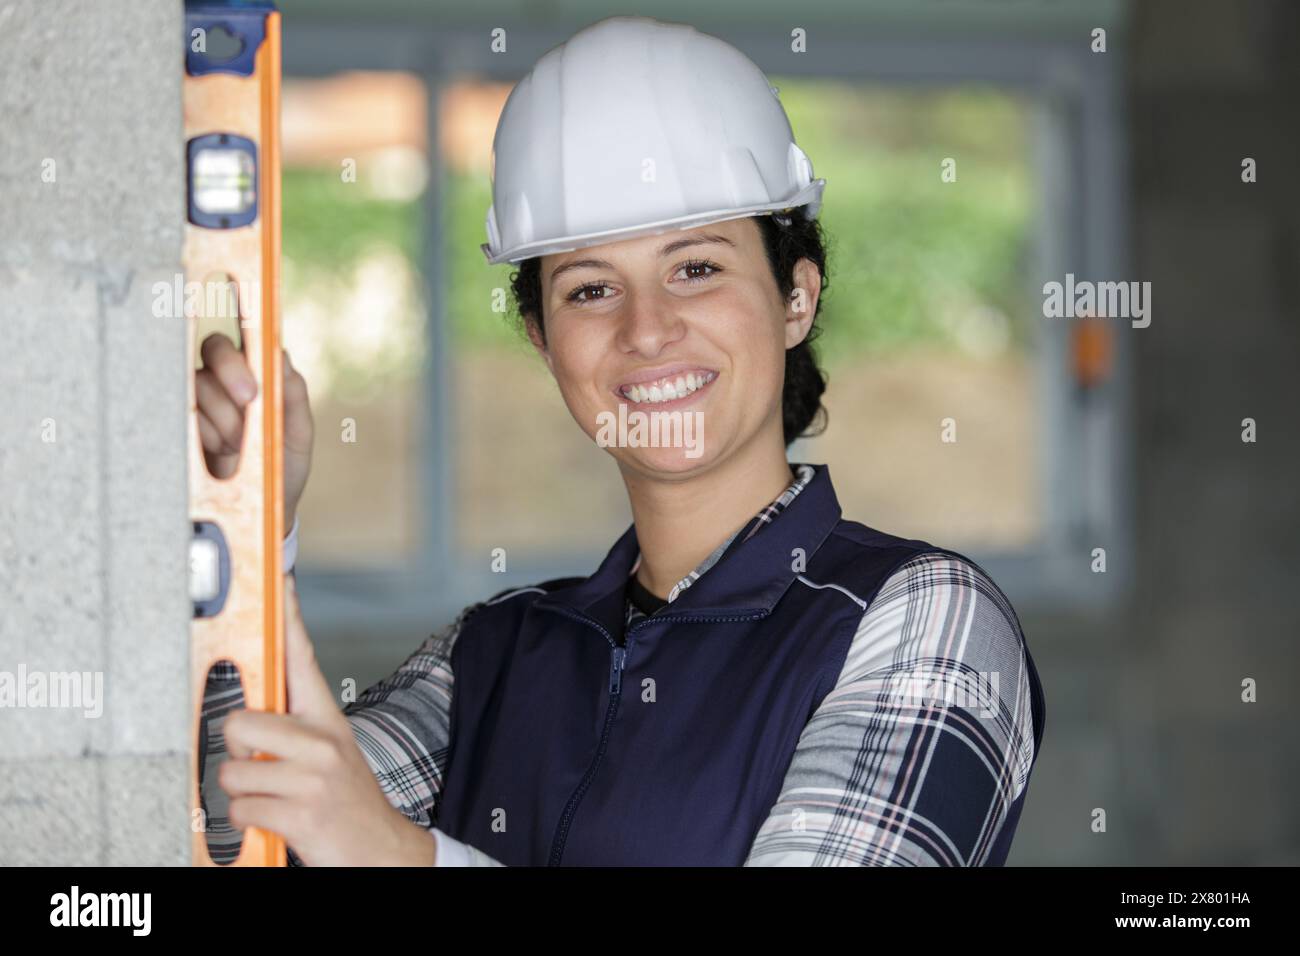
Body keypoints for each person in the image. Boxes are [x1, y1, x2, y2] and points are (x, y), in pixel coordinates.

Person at [197, 14, 1045, 866]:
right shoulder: (493, 652)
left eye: (697, 268)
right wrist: (246, 526)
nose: (647, 330)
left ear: (796, 297)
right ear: (542, 338)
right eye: (592, 288)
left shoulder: (920, 616)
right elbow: (235, 836)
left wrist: (400, 857)